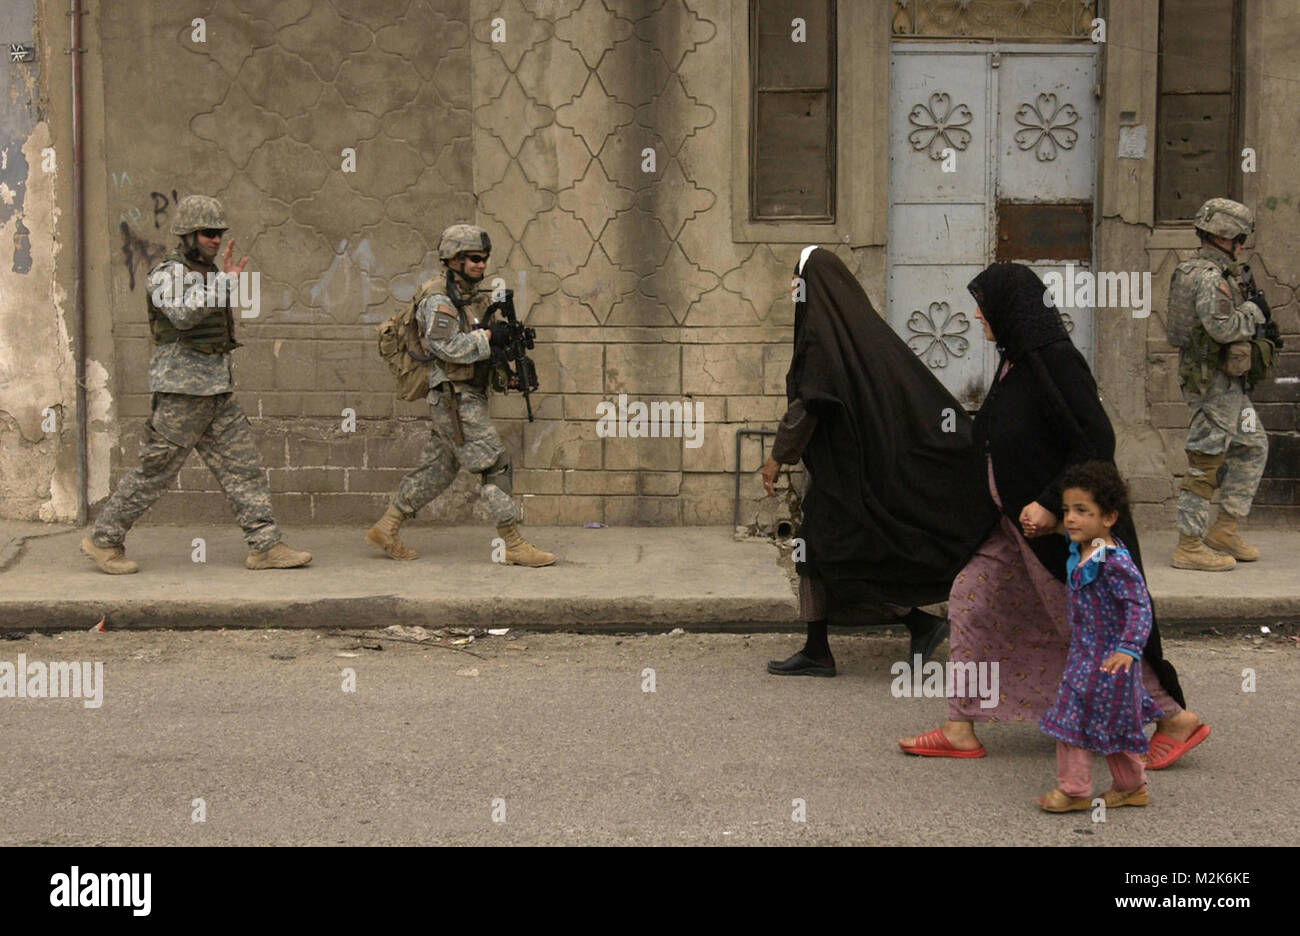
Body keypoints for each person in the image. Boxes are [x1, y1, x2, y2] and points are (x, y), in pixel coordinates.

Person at [899, 262, 1208, 770]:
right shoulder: (1013, 363)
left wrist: (1049, 501)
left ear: (1012, 309)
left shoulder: (1057, 362)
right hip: (1009, 530)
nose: (977, 314)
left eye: (985, 304)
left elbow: (1096, 443)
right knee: (970, 601)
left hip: (1058, 533)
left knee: (1086, 628)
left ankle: (1173, 718)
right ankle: (960, 726)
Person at [764, 246, 998, 677]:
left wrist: (778, 457)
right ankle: (910, 624)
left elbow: (810, 404)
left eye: (797, 280)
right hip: (852, 471)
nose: (792, 288)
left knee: (821, 550)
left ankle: (845, 642)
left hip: (846, 477)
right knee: (834, 552)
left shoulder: (823, 339)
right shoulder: (859, 331)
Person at [80, 195, 312, 574]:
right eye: (208, 233)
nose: (216, 240)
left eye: (218, 233)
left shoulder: (209, 275)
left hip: (216, 392)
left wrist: (223, 280)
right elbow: (183, 316)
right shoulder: (166, 274)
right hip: (182, 395)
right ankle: (104, 540)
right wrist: (225, 283)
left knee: (243, 468)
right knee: (155, 472)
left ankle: (265, 546)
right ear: (187, 235)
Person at [366, 224, 554, 567]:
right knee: (495, 462)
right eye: (474, 259)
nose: (481, 265)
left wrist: (506, 364)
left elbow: (478, 343)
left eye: (484, 259)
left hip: (464, 392)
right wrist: (488, 339)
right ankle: (512, 543)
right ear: (454, 259)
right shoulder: (439, 299)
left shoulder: (470, 295)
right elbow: (446, 347)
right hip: (454, 396)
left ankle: (386, 526)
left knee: (439, 468)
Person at [1036, 461, 1160, 813]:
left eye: (1081, 511)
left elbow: (1139, 606)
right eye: (1066, 510)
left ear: (1108, 518)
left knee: (1106, 724)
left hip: (1112, 661)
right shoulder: (1083, 548)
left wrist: (1129, 648)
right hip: (1084, 659)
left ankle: (1088, 790)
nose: (1071, 519)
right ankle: (1121, 787)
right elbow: (1066, 531)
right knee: (1078, 719)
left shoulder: (1114, 562)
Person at [1166, 198, 1279, 571]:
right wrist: (1253, 311)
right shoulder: (1210, 278)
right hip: (1212, 385)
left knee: (1251, 444)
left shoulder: (1194, 271)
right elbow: (1223, 328)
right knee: (1205, 460)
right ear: (1227, 237)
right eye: (1240, 239)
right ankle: (1189, 544)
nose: (1242, 246)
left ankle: (1225, 528)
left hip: (1226, 386)